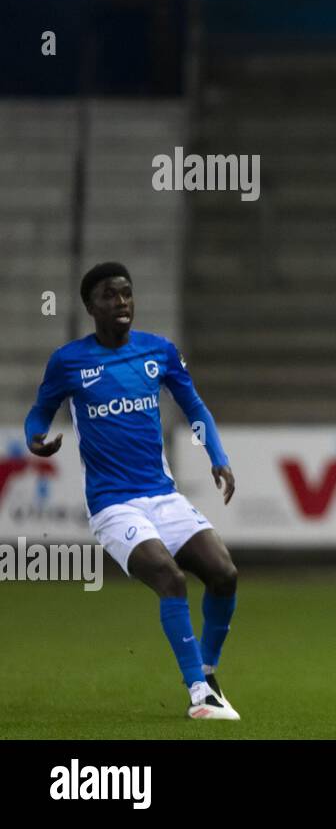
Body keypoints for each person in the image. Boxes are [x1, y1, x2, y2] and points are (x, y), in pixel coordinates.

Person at [25, 263, 241, 720]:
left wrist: (217, 455)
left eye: (126, 294)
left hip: (162, 496)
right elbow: (39, 412)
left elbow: (193, 404)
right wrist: (35, 439)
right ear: (90, 307)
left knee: (223, 573)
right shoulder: (69, 361)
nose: (121, 303)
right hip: (113, 505)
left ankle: (206, 669)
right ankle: (199, 693)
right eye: (109, 295)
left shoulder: (158, 352)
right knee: (170, 578)